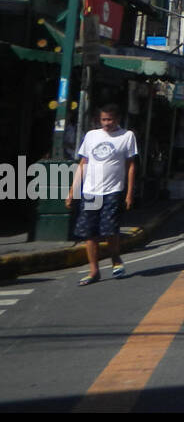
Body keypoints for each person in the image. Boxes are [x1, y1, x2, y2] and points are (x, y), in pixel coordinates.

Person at [65, 104, 137, 286]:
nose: (106, 123)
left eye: (110, 119)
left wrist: (129, 193)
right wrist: (73, 191)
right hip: (91, 191)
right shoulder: (91, 136)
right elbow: (83, 163)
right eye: (103, 120)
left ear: (117, 119)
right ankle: (94, 270)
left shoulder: (127, 136)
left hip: (113, 190)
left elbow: (130, 166)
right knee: (90, 233)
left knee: (110, 230)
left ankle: (116, 259)